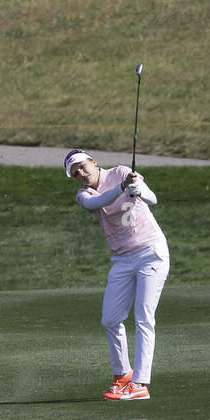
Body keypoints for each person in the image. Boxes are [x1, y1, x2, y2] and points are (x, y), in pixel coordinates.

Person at [64, 149, 170, 401]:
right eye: (75, 172)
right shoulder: (84, 194)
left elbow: (152, 199)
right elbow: (97, 203)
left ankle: (140, 383)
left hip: (150, 252)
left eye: (82, 166)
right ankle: (122, 375)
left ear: (94, 162)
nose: (81, 173)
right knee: (110, 319)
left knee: (144, 317)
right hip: (122, 260)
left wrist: (137, 190)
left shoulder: (122, 172)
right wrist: (122, 189)